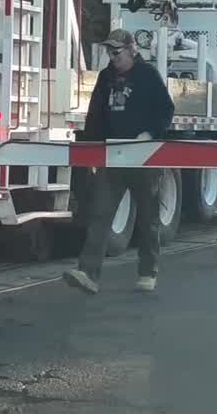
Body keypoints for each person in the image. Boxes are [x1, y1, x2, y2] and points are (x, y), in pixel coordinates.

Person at [64, 28, 175, 295]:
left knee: (149, 216)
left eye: (117, 51)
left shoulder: (147, 75)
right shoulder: (105, 78)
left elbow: (166, 108)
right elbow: (95, 115)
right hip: (112, 157)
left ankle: (148, 272)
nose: (112, 57)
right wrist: (92, 150)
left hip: (143, 158)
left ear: (131, 49)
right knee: (100, 214)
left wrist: (150, 134)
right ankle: (88, 273)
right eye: (109, 52)